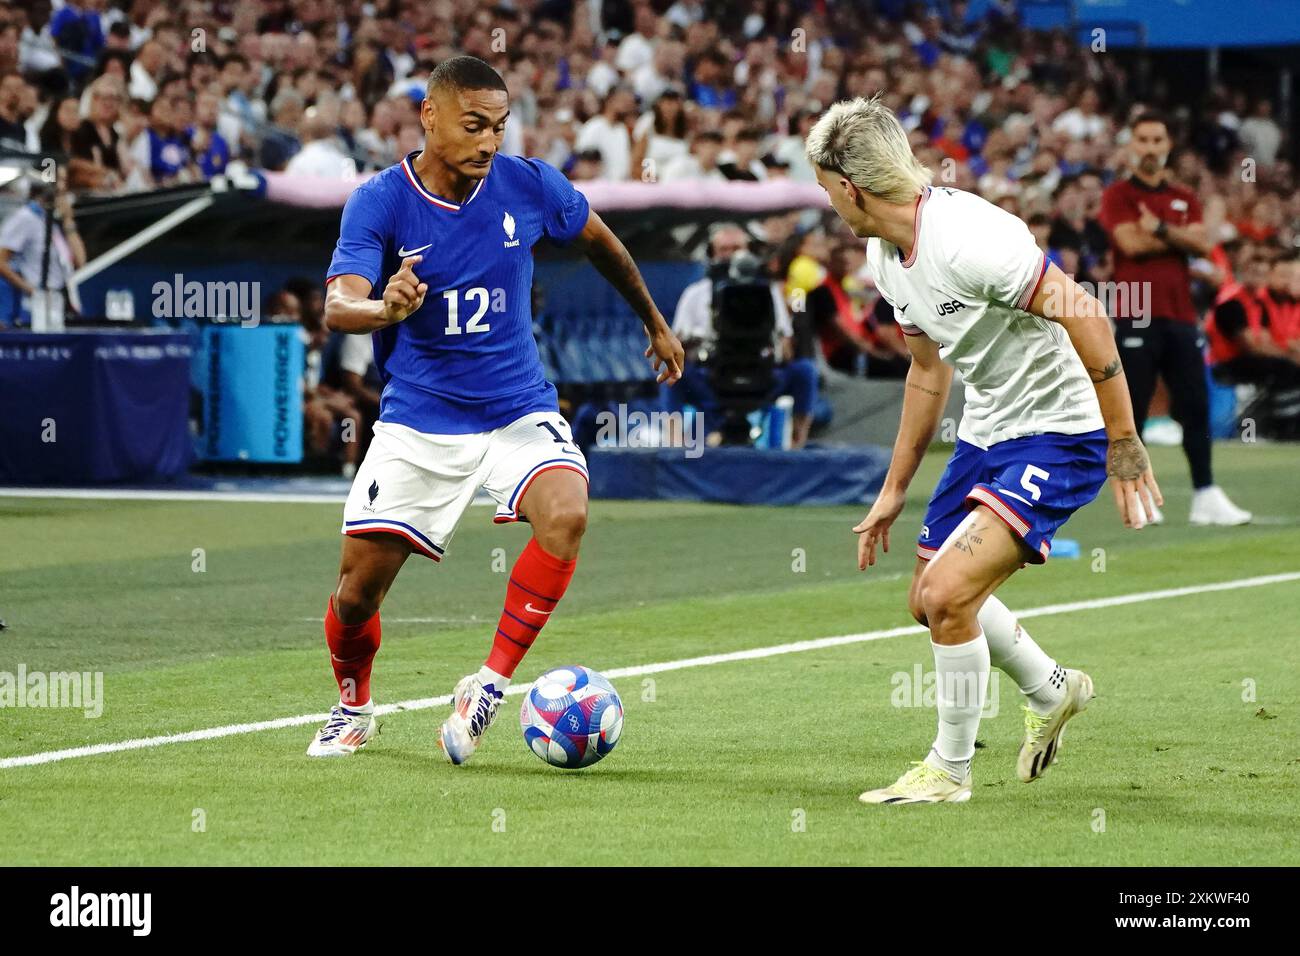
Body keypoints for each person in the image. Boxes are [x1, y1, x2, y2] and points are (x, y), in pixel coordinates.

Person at [310, 56, 683, 763]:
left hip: (517, 407)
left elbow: (602, 241)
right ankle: (354, 707)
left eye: (500, 127)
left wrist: (654, 322)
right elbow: (337, 307)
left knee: (568, 511)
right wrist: (381, 306)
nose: (489, 141)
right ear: (429, 115)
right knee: (356, 597)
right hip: (419, 422)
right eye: (474, 124)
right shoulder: (382, 201)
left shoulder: (529, 184)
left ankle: (487, 684)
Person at [806, 95, 1162, 805]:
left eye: (822, 185)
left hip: (1062, 430)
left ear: (847, 187)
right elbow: (927, 371)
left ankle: (950, 770)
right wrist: (893, 489)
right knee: (927, 599)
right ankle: (1053, 689)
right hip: (990, 428)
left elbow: (1086, 313)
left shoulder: (968, 237)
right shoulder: (884, 255)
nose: (824, 200)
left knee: (948, 593)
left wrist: (1124, 442)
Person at [1099, 112, 1251, 526]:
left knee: (1195, 406)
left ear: (1167, 146)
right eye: (1143, 140)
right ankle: (1135, 498)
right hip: (1136, 309)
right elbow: (1130, 241)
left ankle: (1206, 493)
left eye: (1157, 140)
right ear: (1132, 146)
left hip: (1181, 313)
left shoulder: (1185, 196)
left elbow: (1203, 245)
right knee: (1134, 409)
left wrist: (1162, 229)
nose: (1150, 148)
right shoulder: (1117, 195)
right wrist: (1179, 239)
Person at [666, 223, 818, 448]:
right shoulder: (695, 294)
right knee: (671, 376)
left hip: (761, 374)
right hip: (712, 377)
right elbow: (676, 347)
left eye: (736, 248)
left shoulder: (769, 292)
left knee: (805, 371)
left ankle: (798, 443)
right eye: (724, 249)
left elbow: (786, 345)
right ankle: (674, 446)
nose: (730, 255)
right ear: (712, 253)